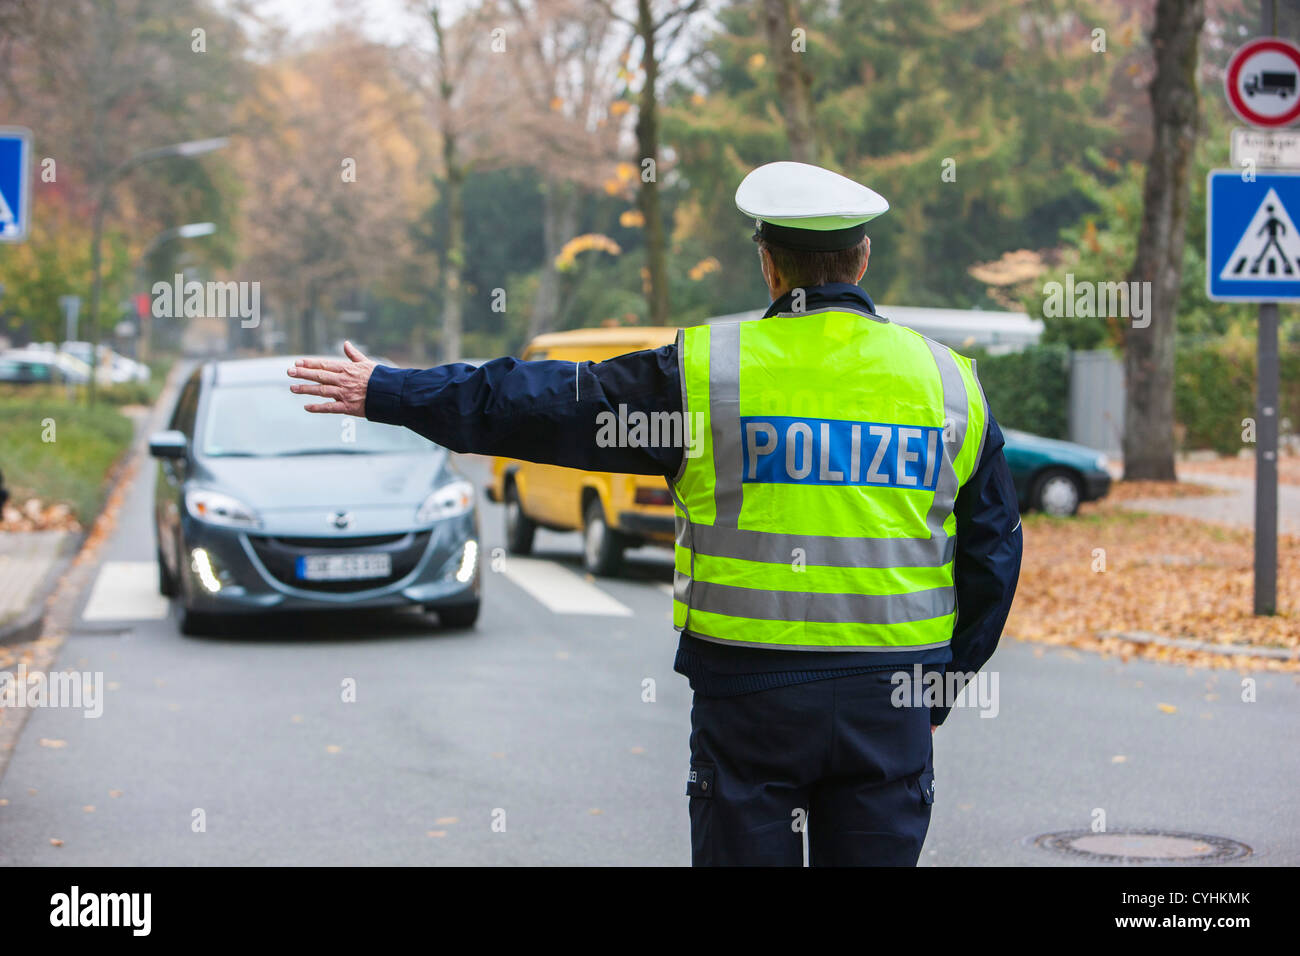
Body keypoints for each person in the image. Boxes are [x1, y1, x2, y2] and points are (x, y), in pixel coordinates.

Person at [287, 161, 1023, 866]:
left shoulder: (706, 375)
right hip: (888, 705)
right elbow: (994, 552)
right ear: (862, 261)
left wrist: (391, 391)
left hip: (751, 704)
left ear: (769, 265)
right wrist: (943, 684)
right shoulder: (950, 385)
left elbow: (540, 406)